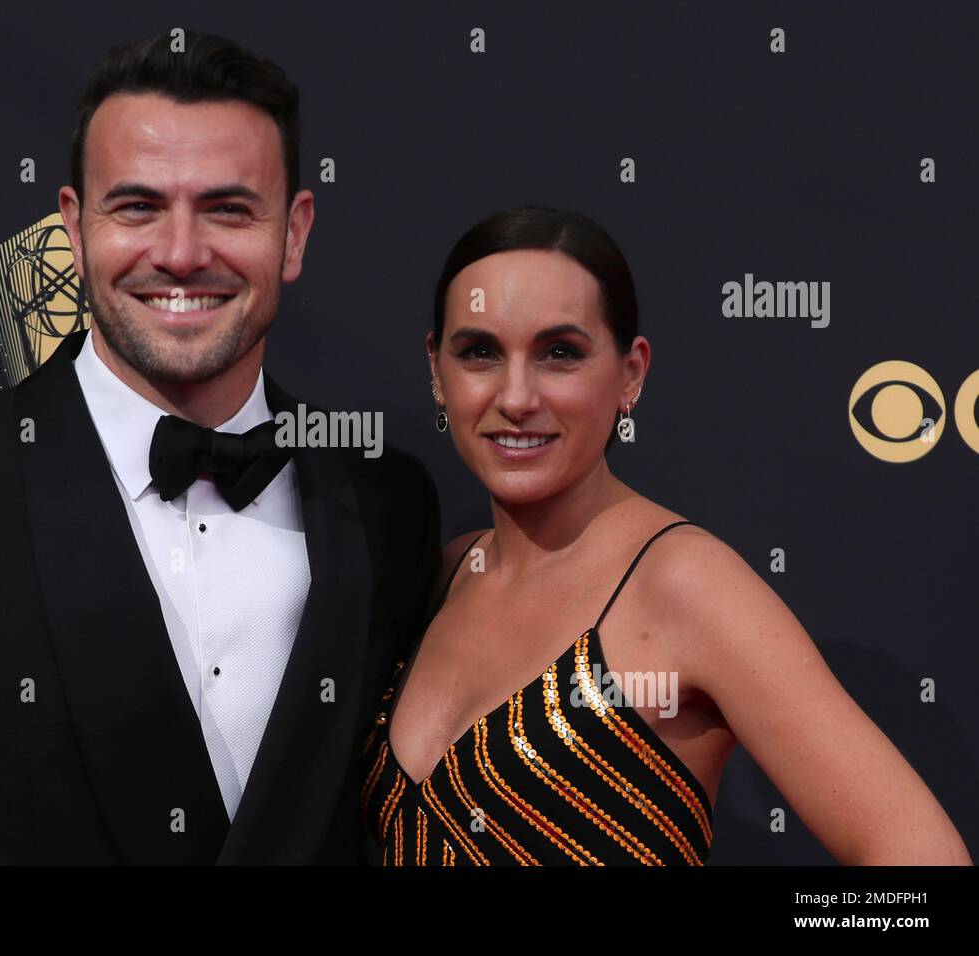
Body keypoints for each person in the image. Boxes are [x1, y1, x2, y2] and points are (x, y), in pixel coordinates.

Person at [0, 31, 439, 865]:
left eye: (228, 209)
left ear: (294, 233)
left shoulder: (385, 502)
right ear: (74, 228)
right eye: (138, 208)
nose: (181, 255)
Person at [361, 205, 972, 865]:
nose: (516, 398)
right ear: (437, 369)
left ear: (631, 374)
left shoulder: (685, 583)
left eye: (560, 354)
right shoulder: (447, 574)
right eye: (479, 352)